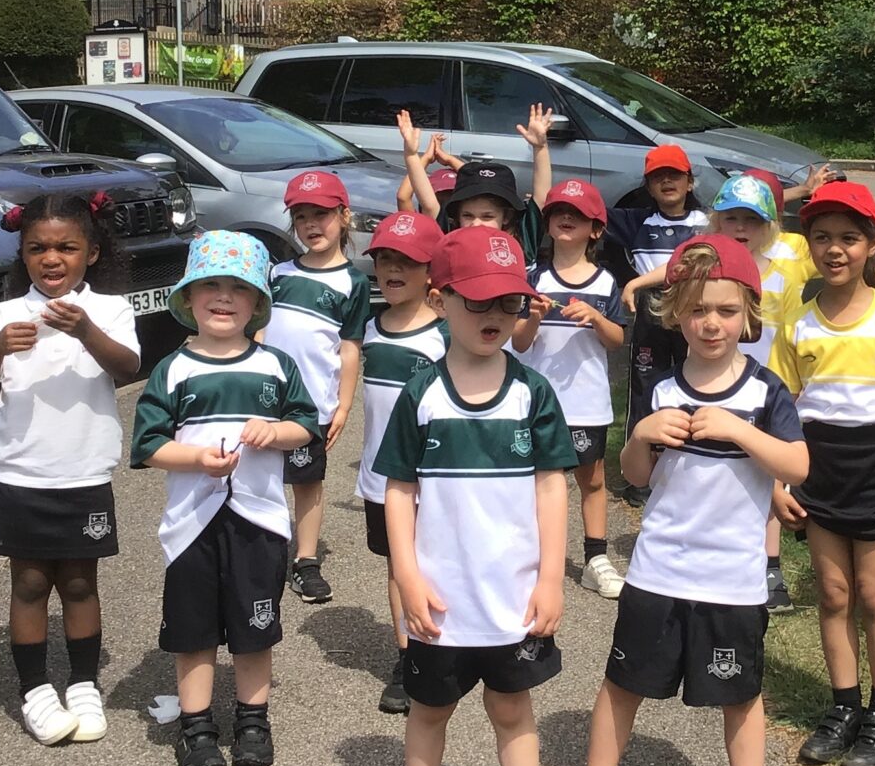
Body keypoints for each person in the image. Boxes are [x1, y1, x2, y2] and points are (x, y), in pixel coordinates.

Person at [578, 235, 808, 766]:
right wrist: (643, 437)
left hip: (733, 579)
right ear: (676, 311)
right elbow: (636, 476)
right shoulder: (658, 389)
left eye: (727, 311)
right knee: (625, 683)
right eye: (699, 309)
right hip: (659, 570)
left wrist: (739, 429)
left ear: (749, 316)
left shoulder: (766, 393)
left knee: (742, 694)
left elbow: (798, 465)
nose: (712, 323)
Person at [373, 226, 576, 766]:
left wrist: (552, 577)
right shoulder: (421, 393)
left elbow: (554, 486)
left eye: (510, 302)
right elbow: (398, 490)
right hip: (442, 599)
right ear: (441, 298)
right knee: (430, 711)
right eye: (478, 300)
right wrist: (405, 574)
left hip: (513, 598)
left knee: (514, 711)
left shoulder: (533, 394)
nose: (495, 315)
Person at [133, 231, 319, 766]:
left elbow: (305, 426)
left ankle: (253, 719)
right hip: (191, 523)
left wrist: (275, 430)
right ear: (188, 299)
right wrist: (194, 459)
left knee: (254, 624)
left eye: (238, 288)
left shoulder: (276, 365)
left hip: (258, 519)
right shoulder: (173, 368)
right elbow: (148, 445)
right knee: (192, 630)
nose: (223, 296)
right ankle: (196, 726)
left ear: (256, 302)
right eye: (209, 285)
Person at [769, 180, 875, 766]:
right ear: (809, 246)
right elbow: (781, 410)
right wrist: (776, 483)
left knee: (874, 593)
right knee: (833, 594)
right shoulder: (799, 326)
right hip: (818, 469)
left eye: (849, 238)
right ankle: (843, 707)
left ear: (872, 244)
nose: (834, 249)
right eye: (821, 238)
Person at [0, 192, 142, 747]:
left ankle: (84, 684)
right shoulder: (1, 316)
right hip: (22, 473)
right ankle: (35, 691)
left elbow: (128, 367)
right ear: (22, 254)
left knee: (78, 581)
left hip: (85, 471)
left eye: (66, 247)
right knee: (30, 582)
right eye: (37, 248)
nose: (51, 259)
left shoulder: (110, 309)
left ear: (91, 253)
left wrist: (85, 330)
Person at [512, 179, 629, 598]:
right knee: (537, 479)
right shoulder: (532, 278)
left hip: (587, 402)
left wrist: (597, 320)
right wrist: (534, 317)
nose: (566, 218)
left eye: (577, 215)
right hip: (536, 403)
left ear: (595, 230)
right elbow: (519, 342)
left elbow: (616, 341)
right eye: (559, 211)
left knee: (591, 479)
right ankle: (532, 555)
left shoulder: (604, 283)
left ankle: (595, 559)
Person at [265, 170, 373, 606]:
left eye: (322, 214)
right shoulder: (276, 273)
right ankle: (264, 551)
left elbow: (349, 348)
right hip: (266, 399)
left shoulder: (354, 282)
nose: (312, 224)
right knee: (261, 477)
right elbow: (257, 330)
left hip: (313, 405)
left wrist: (344, 405)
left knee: (307, 481)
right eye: (302, 216)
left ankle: (305, 560)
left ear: (344, 217)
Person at [355, 211, 448, 715]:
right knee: (398, 567)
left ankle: (451, 643)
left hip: (438, 476)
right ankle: (408, 656)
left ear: (432, 271)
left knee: (438, 558)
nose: (392, 270)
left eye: (407, 262)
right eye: (385, 259)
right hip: (381, 476)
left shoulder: (447, 334)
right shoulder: (371, 327)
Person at [709, 173, 811, 613]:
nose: (741, 228)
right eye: (731, 218)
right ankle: (717, 557)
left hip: (769, 387)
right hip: (715, 385)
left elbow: (792, 336)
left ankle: (770, 567)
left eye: (751, 220)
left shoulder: (783, 278)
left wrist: (792, 388)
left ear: (769, 226)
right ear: (716, 221)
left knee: (769, 475)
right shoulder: (708, 273)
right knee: (717, 473)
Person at [613, 146, 711, 505]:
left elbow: (759, 204)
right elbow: (579, 211)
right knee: (644, 390)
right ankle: (640, 473)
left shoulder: (710, 222)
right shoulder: (636, 222)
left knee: (697, 386)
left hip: (695, 315)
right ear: (648, 186)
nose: (667, 181)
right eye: (658, 177)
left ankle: (695, 463)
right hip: (651, 318)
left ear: (689, 182)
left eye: (675, 175)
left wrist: (798, 190)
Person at [396, 106, 555, 258]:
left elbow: (542, 198)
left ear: (506, 216)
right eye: (468, 216)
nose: (476, 224)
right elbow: (428, 203)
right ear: (457, 216)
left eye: (487, 217)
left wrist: (540, 148)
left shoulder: (524, 240)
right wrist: (411, 155)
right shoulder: (449, 240)